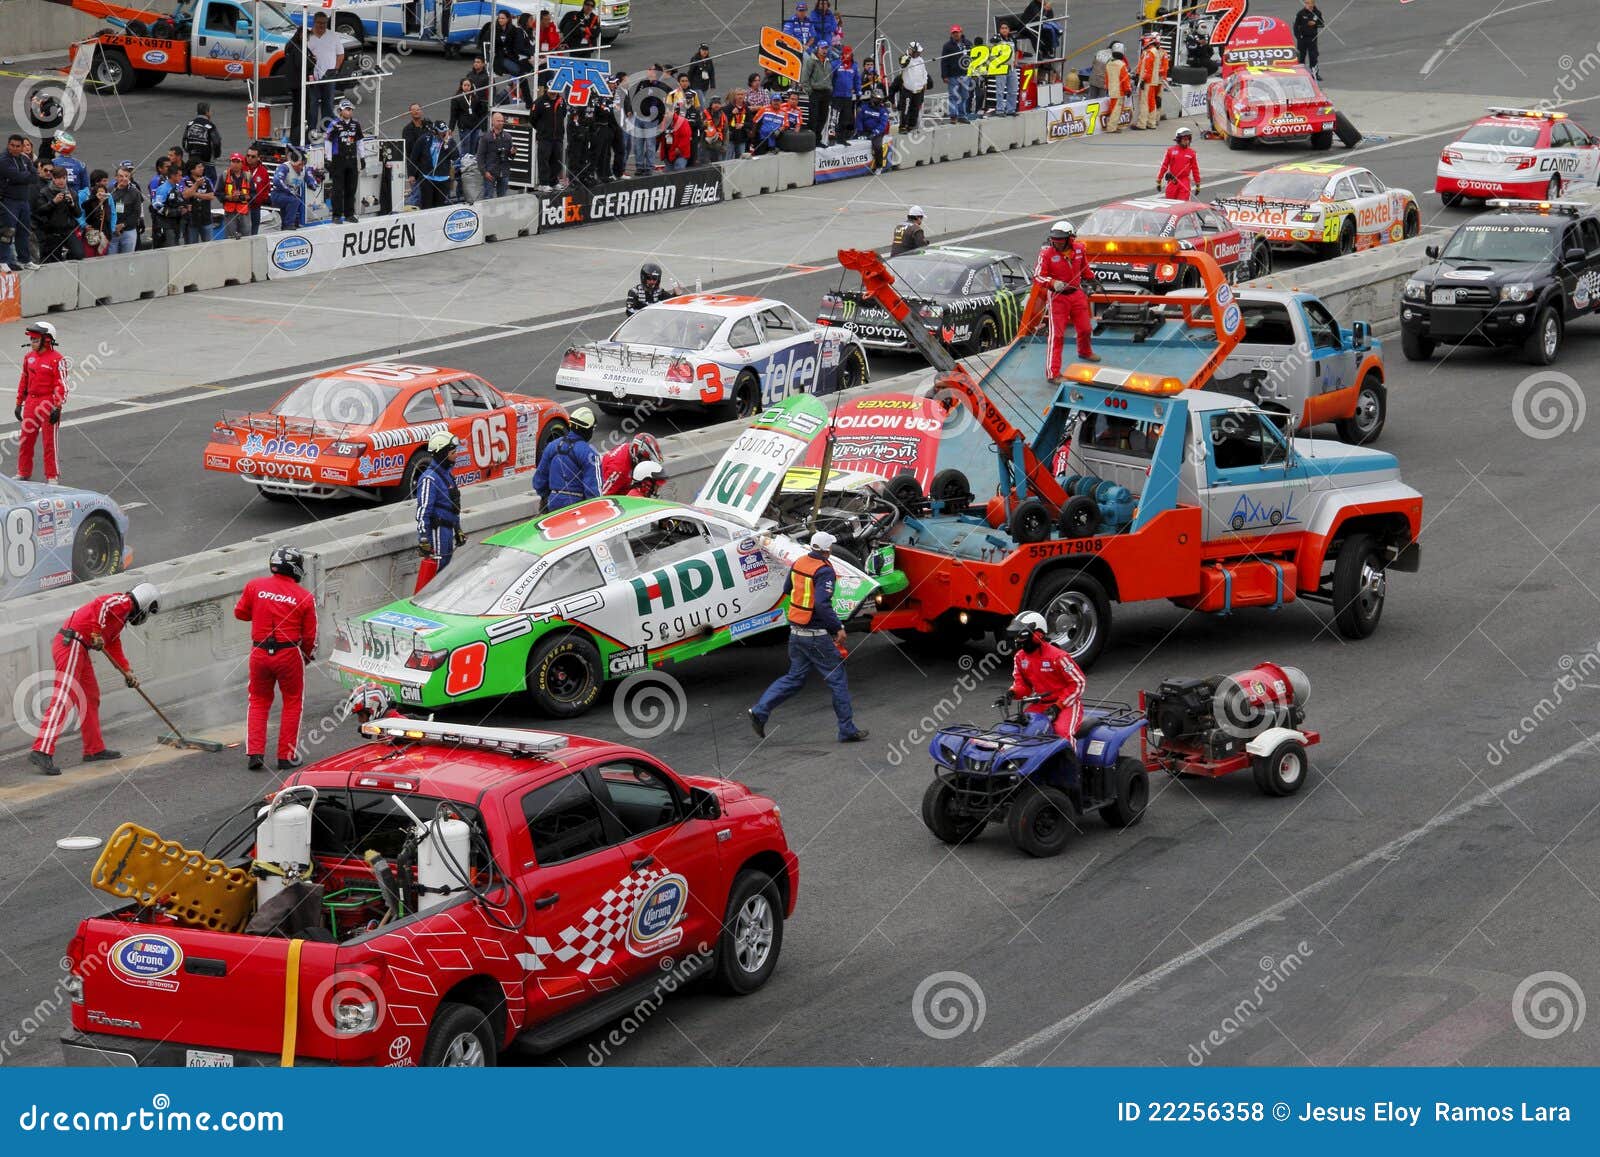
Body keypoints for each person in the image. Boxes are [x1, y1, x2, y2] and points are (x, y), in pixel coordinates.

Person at [29, 583, 160, 777]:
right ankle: (41, 750)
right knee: (66, 695)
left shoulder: (120, 620)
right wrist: (96, 633)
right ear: (145, 603)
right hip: (72, 642)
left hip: (80, 647)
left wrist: (127, 671)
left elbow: (113, 645)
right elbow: (101, 605)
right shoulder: (123, 602)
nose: (144, 617)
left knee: (91, 696)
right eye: (148, 612)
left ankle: (94, 749)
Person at [748, 531, 868, 743]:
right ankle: (847, 730)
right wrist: (837, 627)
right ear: (826, 550)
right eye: (830, 547)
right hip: (816, 636)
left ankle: (760, 710)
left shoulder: (799, 563)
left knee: (794, 677)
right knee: (837, 680)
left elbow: (788, 589)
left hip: (796, 633)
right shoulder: (824, 571)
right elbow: (822, 604)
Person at [236, 547, 317, 772]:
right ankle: (286, 756)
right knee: (292, 702)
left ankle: (255, 752)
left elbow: (240, 613)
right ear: (295, 568)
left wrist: (263, 610)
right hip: (289, 653)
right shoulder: (304, 597)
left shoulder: (255, 585)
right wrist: (308, 656)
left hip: (259, 652)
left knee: (258, 701)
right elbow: (310, 636)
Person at [1005, 611, 1086, 739]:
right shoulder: (1020, 657)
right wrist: (1012, 693)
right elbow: (1023, 685)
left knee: (1062, 735)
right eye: (1017, 638)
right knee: (1020, 730)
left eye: (1022, 637)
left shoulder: (1058, 656)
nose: (1018, 641)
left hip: (1066, 705)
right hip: (1041, 704)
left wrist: (1058, 706)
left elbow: (1078, 683)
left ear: (1038, 635)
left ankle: (1071, 759)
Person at [1034, 219, 1098, 381]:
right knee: (1057, 336)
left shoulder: (1079, 250)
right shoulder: (1046, 254)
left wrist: (1092, 280)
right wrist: (1053, 283)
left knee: (1085, 329)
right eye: (1055, 240)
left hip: (1076, 294)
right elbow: (1038, 276)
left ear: (1070, 239)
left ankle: (1084, 352)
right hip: (1057, 298)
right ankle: (1053, 373)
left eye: (1061, 240)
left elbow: (1085, 268)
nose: (1057, 243)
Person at [14, 321, 66, 484]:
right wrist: (18, 402)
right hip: (31, 403)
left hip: (48, 404)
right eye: (32, 340)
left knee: (49, 443)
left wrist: (57, 406)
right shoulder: (28, 358)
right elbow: (24, 380)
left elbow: (61, 384)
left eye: (36, 340)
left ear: (47, 340)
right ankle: (23, 472)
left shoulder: (58, 360)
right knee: (25, 440)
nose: (32, 343)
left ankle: (52, 476)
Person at [415, 431, 464, 592]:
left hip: (448, 530)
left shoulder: (448, 475)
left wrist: (458, 530)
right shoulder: (430, 479)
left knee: (445, 571)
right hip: (437, 532)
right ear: (442, 454)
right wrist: (423, 538)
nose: (456, 455)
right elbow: (423, 511)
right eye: (452, 452)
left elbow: (452, 507)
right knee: (437, 571)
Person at [532, 404, 601, 511]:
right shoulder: (590, 454)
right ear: (588, 429)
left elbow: (539, 479)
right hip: (577, 507)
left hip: (553, 503)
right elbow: (593, 490)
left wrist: (545, 497)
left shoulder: (552, 446)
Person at [1, 134, 37, 270]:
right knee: (7, 232)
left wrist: (23, 176)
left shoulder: (25, 158)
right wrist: (25, 175)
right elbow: (15, 176)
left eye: (18, 146)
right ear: (8, 145)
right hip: (8, 201)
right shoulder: (3, 160)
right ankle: (2, 261)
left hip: (23, 201)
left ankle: (25, 260)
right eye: (12, 145)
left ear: (22, 147)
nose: (14, 148)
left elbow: (34, 176)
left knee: (24, 231)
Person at [32, 166, 83, 263]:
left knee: (79, 254)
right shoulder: (45, 192)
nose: (61, 181)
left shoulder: (72, 192)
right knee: (53, 259)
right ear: (53, 178)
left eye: (64, 178)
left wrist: (72, 204)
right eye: (58, 178)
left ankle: (66, 256)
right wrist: (53, 202)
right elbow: (39, 211)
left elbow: (78, 214)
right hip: (51, 231)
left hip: (68, 230)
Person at [306, 11, 345, 133]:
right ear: (314, 22)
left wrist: (335, 69)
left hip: (329, 76)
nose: (322, 25)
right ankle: (311, 130)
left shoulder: (333, 36)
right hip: (313, 77)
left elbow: (341, 54)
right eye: (319, 23)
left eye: (324, 23)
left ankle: (326, 130)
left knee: (328, 104)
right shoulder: (308, 36)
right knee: (312, 104)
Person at [326, 100, 363, 224]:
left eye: (351, 109)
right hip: (338, 160)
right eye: (347, 109)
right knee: (337, 189)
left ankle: (349, 214)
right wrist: (328, 159)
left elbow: (359, 141)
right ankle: (336, 215)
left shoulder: (356, 124)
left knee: (351, 188)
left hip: (352, 160)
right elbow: (328, 142)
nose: (349, 111)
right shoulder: (334, 124)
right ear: (341, 111)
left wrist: (362, 158)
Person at [269, 151, 318, 230]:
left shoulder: (304, 169)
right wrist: (288, 190)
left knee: (297, 200)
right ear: (293, 163)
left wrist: (312, 184)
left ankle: (290, 223)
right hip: (278, 195)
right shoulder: (284, 167)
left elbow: (310, 179)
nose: (301, 167)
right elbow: (277, 181)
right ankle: (289, 225)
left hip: (290, 195)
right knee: (294, 200)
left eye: (303, 164)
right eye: (299, 165)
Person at [800, 41, 835, 141]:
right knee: (814, 117)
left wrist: (830, 87)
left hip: (826, 92)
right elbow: (804, 78)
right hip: (815, 92)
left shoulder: (828, 61)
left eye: (826, 48)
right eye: (822, 48)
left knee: (823, 117)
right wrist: (809, 91)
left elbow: (830, 76)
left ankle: (818, 139)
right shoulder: (811, 61)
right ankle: (811, 139)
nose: (824, 50)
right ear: (817, 49)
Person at [180, 101, 223, 182]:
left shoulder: (190, 124)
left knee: (191, 181)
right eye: (210, 111)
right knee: (210, 182)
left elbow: (184, 142)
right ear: (207, 112)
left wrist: (190, 152)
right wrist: (216, 155)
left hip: (192, 161)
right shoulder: (210, 126)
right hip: (207, 161)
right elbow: (217, 142)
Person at [526, 91, 560, 189]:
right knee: (543, 161)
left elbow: (563, 114)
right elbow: (532, 119)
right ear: (547, 90)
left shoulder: (561, 101)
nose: (553, 93)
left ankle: (553, 182)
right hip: (545, 137)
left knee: (556, 160)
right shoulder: (539, 102)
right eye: (551, 91)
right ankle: (544, 183)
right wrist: (542, 129)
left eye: (555, 91)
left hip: (557, 137)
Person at [941, 26, 972, 125]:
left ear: (961, 32)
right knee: (953, 96)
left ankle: (962, 115)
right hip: (952, 75)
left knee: (964, 96)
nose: (955, 34)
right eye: (954, 33)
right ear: (951, 34)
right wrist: (944, 76)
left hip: (965, 74)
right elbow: (944, 61)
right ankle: (953, 116)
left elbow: (973, 58)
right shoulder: (947, 46)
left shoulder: (968, 44)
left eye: (957, 32)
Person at [1158, 127, 1200, 200]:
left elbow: (1195, 169)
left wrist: (1197, 184)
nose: (1186, 141)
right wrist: (1159, 180)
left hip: (1184, 182)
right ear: (1178, 139)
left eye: (1188, 139)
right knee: (1170, 204)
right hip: (1172, 181)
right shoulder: (1170, 151)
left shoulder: (1192, 153)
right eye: (1184, 139)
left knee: (1182, 205)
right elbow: (1164, 165)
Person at [450, 78, 488, 158]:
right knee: (465, 148)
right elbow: (453, 115)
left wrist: (484, 105)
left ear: (471, 86)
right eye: (465, 85)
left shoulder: (475, 97)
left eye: (468, 85)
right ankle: (464, 165)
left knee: (474, 148)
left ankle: (471, 166)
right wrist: (451, 128)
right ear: (461, 86)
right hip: (464, 127)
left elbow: (479, 112)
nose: (467, 87)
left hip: (475, 126)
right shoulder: (457, 98)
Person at [108, 165, 142, 254]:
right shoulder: (109, 190)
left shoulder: (135, 192)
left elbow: (136, 214)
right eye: (121, 176)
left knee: (127, 260)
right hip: (112, 231)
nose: (124, 178)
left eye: (126, 176)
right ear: (116, 177)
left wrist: (123, 225)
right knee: (111, 259)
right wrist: (113, 226)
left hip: (128, 231)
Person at [855, 89, 891, 173]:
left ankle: (879, 166)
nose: (877, 101)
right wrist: (860, 131)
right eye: (875, 99)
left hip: (877, 132)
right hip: (864, 131)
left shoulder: (883, 110)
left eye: (879, 99)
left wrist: (875, 133)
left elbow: (883, 124)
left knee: (877, 146)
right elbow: (859, 119)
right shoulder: (864, 107)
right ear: (871, 98)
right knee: (854, 141)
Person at [829, 47, 860, 145]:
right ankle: (831, 137)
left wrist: (858, 91)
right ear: (842, 54)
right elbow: (830, 78)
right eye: (845, 53)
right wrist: (830, 90)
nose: (847, 55)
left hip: (848, 96)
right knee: (834, 117)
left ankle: (841, 138)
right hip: (836, 95)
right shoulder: (835, 64)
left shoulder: (854, 66)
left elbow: (857, 80)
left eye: (849, 54)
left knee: (846, 118)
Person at [179, 160, 215, 244]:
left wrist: (194, 193)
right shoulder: (184, 180)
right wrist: (196, 185)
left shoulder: (206, 180)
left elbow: (211, 196)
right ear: (192, 170)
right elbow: (184, 195)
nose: (202, 168)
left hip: (206, 219)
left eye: (202, 166)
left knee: (209, 245)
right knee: (191, 246)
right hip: (191, 220)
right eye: (199, 167)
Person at [218, 153, 252, 239]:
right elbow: (218, 193)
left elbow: (253, 194)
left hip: (244, 212)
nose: (235, 164)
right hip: (230, 212)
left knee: (246, 237)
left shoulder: (248, 176)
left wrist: (244, 197)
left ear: (242, 164)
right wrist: (228, 197)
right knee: (231, 238)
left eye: (238, 162)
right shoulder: (224, 175)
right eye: (233, 161)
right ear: (230, 162)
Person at [79, 170, 113, 257]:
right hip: (90, 234)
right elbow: (81, 210)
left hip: (104, 235)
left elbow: (112, 214)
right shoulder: (86, 199)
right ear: (96, 182)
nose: (107, 183)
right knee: (89, 256)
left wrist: (111, 231)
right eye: (104, 181)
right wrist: (84, 225)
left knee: (102, 257)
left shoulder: (108, 198)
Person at [1134, 33, 1163, 130]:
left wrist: (1143, 80)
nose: (1142, 43)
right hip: (1151, 81)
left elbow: (1148, 68)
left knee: (1144, 102)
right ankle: (1151, 122)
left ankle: (1142, 124)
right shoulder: (1151, 51)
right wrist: (1138, 74)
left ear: (1147, 41)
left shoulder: (1150, 52)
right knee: (1151, 102)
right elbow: (1142, 66)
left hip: (1148, 81)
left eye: (1143, 41)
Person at [899, 41, 929, 131]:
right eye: (917, 52)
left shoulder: (920, 59)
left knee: (915, 108)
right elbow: (902, 65)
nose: (919, 53)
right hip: (908, 90)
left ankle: (911, 125)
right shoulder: (904, 58)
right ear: (912, 50)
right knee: (906, 109)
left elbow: (924, 72)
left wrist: (925, 82)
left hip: (919, 90)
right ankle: (903, 126)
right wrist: (908, 58)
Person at [1104, 41, 1131, 133]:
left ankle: (1113, 125)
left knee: (1113, 108)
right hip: (1120, 91)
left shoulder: (1109, 63)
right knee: (1116, 110)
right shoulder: (1122, 65)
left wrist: (1107, 87)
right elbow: (1125, 79)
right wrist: (1128, 90)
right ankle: (1111, 128)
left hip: (1111, 89)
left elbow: (1107, 78)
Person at [993, 23, 1020, 116]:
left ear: (1009, 30)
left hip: (1011, 68)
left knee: (1013, 90)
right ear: (999, 30)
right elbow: (991, 45)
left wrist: (1016, 61)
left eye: (1006, 28)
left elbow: (1016, 51)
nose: (1004, 30)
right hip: (1001, 68)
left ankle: (1011, 109)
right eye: (1002, 28)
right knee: (1000, 90)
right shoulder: (997, 39)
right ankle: (999, 110)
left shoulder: (1012, 39)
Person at [50, 131, 87, 197]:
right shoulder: (81, 164)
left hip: (56, 198)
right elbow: (85, 188)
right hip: (76, 199)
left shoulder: (52, 162)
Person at [243, 147, 271, 235]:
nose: (249, 158)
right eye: (248, 155)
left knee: (254, 231)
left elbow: (267, 188)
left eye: (253, 156)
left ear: (258, 158)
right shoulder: (241, 167)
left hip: (256, 207)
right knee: (244, 231)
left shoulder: (263, 171)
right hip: (242, 206)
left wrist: (261, 199)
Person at [1294, 0, 1325, 78]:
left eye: (1308, 3)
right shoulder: (1301, 13)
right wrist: (1298, 37)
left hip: (1312, 38)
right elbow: (1295, 26)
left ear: (1313, 3)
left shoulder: (1317, 13)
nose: (1306, 4)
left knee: (1313, 56)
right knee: (1301, 57)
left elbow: (1322, 24)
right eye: (1305, 3)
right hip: (1302, 39)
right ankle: (1300, 74)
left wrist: (1315, 24)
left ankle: (1315, 74)